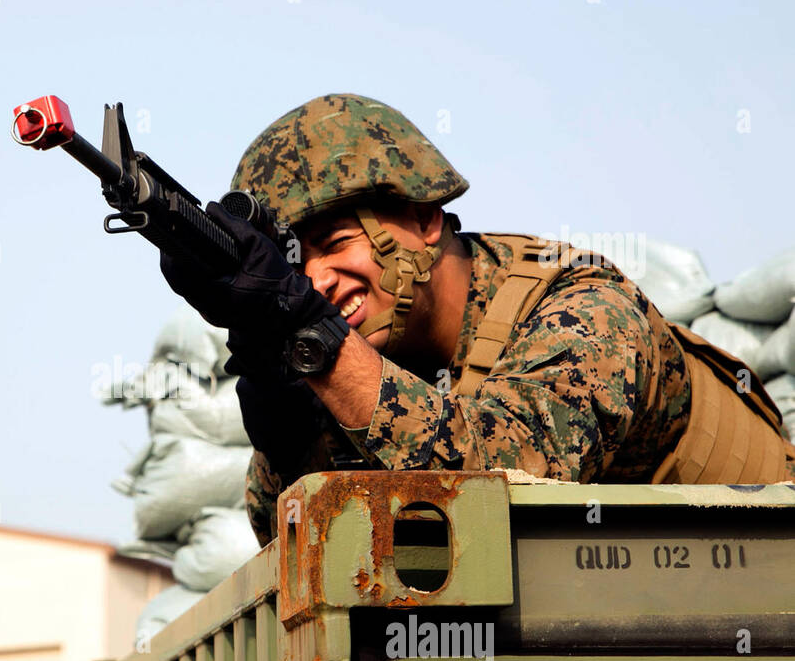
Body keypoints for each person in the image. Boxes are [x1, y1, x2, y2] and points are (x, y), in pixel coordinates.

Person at [160, 93, 795, 548]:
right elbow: (285, 533)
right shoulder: (370, 355)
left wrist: (311, 337)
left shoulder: (583, 307)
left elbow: (509, 476)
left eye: (336, 243)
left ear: (425, 221)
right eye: (295, 265)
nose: (317, 280)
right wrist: (278, 407)